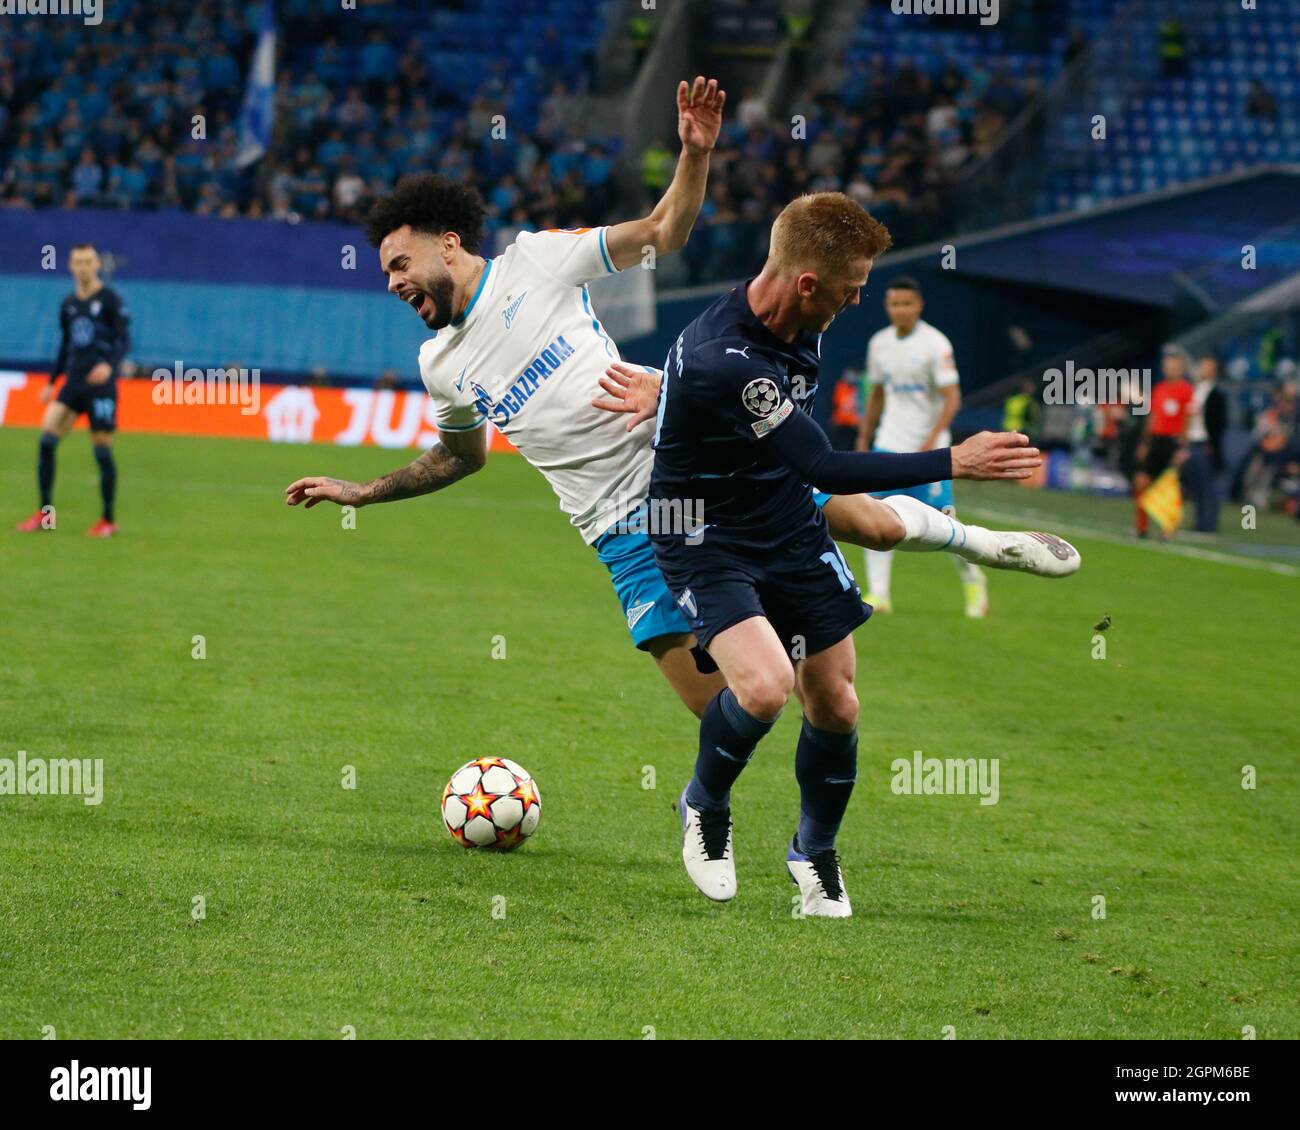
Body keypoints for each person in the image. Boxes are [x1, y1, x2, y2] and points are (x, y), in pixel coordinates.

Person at [286, 80, 1077, 730]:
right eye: (384, 273)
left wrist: (696, 154)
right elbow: (462, 456)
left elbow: (666, 230)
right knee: (730, 708)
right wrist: (364, 491)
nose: (391, 281)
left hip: (689, 456)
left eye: (398, 262)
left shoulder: (538, 261)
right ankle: (719, 803)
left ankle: (982, 543)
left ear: (447, 242)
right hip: (623, 532)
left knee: (862, 526)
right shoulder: (440, 364)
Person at [648, 193, 1056, 917]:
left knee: (835, 701)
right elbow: (826, 468)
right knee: (767, 686)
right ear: (808, 282)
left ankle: (815, 854)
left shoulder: (801, 319)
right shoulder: (726, 357)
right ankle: (703, 804)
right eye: (852, 286)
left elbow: (784, 449)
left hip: (783, 523)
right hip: (704, 535)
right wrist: (953, 459)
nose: (862, 297)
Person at [857, 277, 988, 617]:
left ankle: (973, 578)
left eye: (907, 304)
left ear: (918, 306)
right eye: (894, 304)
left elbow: (952, 397)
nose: (900, 310)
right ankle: (880, 594)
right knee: (874, 519)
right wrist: (863, 436)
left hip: (930, 453)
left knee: (946, 526)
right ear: (887, 307)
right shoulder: (879, 343)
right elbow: (877, 394)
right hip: (889, 445)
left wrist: (932, 440)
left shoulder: (935, 344)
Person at [17, 243, 130, 537]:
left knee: (102, 450)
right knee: (46, 439)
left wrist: (109, 366)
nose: (83, 267)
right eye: (78, 261)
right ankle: (46, 515)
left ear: (97, 265)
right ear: (70, 265)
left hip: (101, 387)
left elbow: (124, 341)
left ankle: (108, 519)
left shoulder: (111, 300)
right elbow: (66, 346)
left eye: (88, 261)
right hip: (73, 384)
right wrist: (52, 382)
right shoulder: (68, 303)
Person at [1134, 345, 1194, 538]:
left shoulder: (1186, 391)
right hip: (1156, 441)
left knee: (1170, 487)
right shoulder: (1159, 388)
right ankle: (1141, 527)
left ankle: (1168, 529)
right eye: (1166, 366)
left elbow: (1187, 419)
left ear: (1180, 369)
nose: (1168, 369)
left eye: (1172, 366)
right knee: (1141, 482)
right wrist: (1145, 442)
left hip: (1172, 442)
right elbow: (1152, 416)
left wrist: (1182, 447)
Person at [1181, 354, 1227, 533]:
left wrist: (1212, 443)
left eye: (1207, 367)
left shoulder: (1217, 395)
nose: (1203, 370)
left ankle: (1209, 524)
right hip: (1191, 442)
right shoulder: (1193, 390)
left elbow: (1219, 423)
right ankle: (1199, 523)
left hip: (1205, 443)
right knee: (1196, 486)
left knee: (1208, 487)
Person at [829, 370, 862, 451]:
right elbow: (835, 404)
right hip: (840, 423)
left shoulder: (857, 389)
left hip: (852, 424)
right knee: (837, 446)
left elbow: (859, 407)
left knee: (850, 448)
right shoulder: (840, 387)